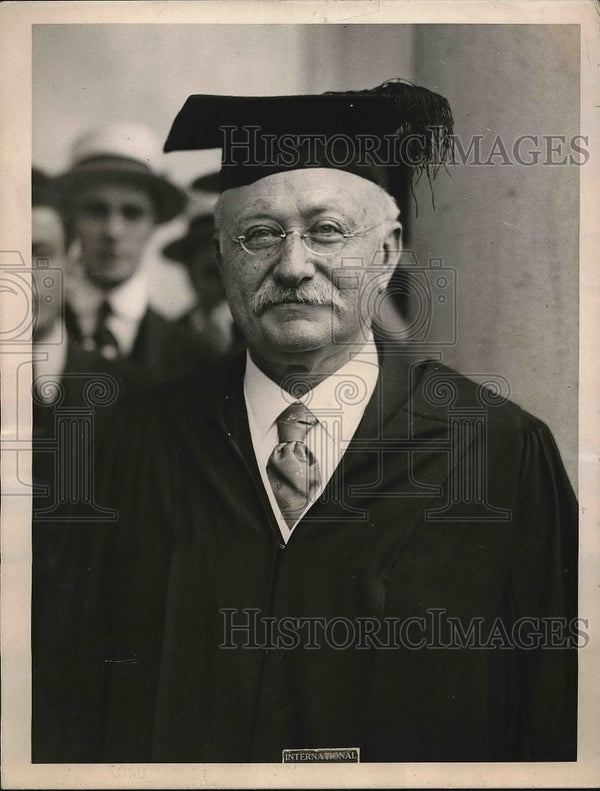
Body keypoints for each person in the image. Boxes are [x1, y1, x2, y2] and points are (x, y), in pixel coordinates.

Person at [44, 81, 577, 763]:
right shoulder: (133, 444)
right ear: (221, 257)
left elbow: (552, 718)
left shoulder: (499, 453)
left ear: (386, 255)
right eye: (259, 235)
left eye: (327, 231)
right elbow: (67, 700)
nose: (294, 266)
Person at [54, 122, 211, 383]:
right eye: (95, 210)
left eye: (132, 213)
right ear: (70, 219)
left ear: (155, 223)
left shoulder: (196, 355)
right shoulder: (32, 335)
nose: (113, 231)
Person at [162, 196, 242, 357]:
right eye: (213, 273)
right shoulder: (162, 340)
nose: (227, 285)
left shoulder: (272, 334)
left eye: (235, 272)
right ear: (191, 274)